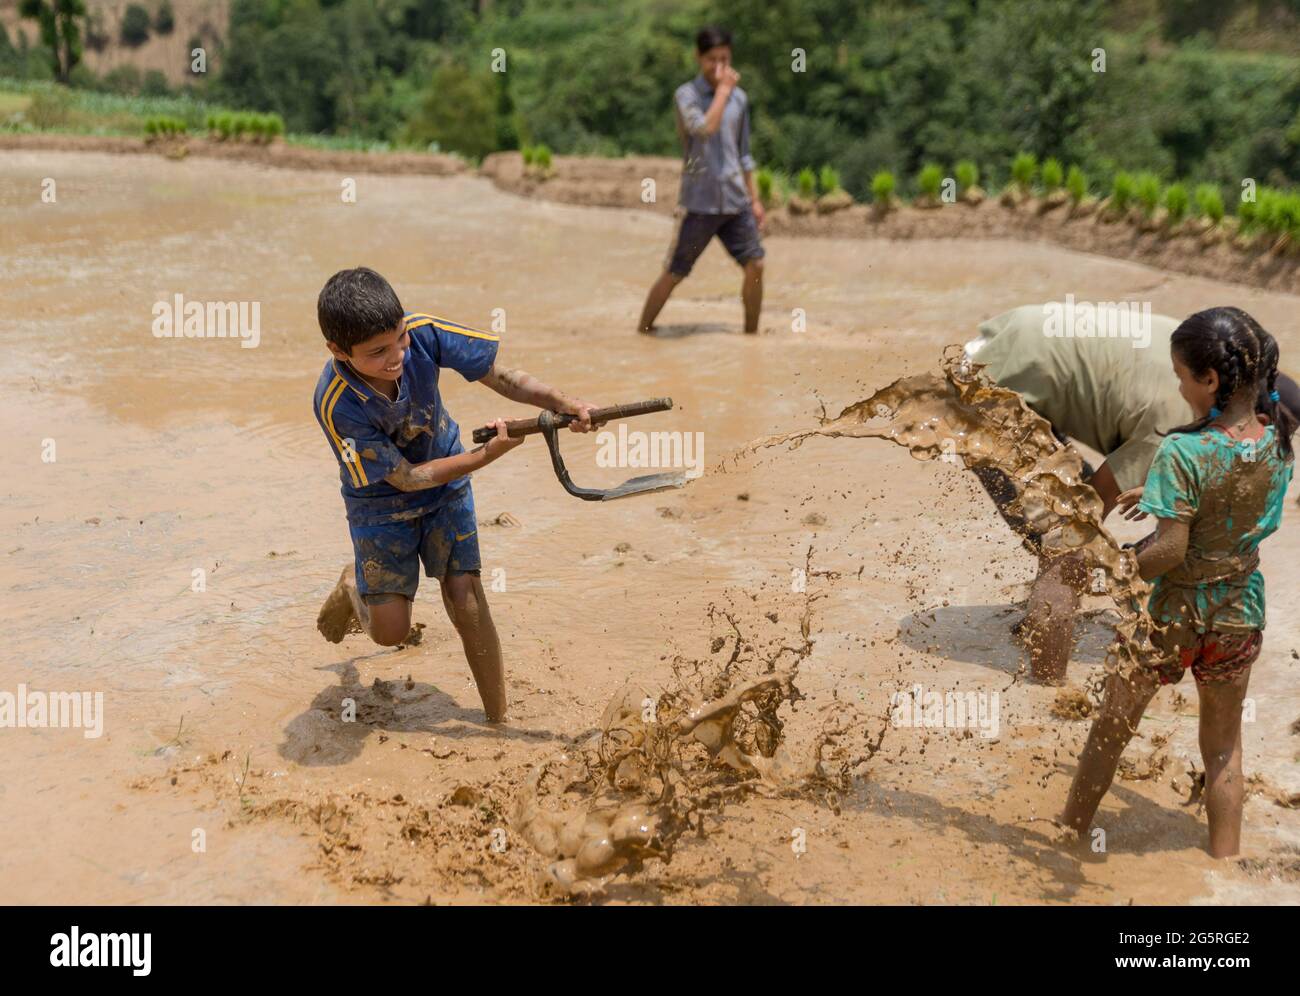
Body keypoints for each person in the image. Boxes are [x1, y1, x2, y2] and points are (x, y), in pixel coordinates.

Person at [311, 267, 597, 723]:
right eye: (377, 352)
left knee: (465, 597)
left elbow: (502, 377)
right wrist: (486, 456)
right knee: (391, 633)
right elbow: (406, 478)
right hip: (381, 503)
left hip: (446, 475)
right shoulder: (336, 403)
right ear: (338, 352)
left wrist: (563, 404)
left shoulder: (425, 333)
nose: (395, 357)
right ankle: (354, 585)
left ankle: (498, 721)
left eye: (399, 339)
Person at [1061, 307, 1295, 857]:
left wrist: (1109, 566)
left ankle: (1068, 836)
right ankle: (1224, 866)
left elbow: (1170, 550)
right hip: (1238, 612)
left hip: (1173, 615)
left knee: (1110, 732)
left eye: (1181, 375)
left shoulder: (1182, 451)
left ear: (1210, 380)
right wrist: (1167, 500)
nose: (1177, 385)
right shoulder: (1276, 435)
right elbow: (1230, 500)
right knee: (1224, 751)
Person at [965, 301, 1297, 683]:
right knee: (1066, 539)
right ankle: (1046, 688)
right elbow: (1099, 507)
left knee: (1074, 518)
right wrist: (1109, 572)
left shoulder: (1212, 346)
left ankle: (1043, 621)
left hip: (1013, 340)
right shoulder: (1178, 423)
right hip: (988, 391)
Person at [637, 25, 766, 335]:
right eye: (712, 60)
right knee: (675, 272)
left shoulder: (740, 100)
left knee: (757, 266)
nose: (719, 67)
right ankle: (642, 331)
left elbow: (744, 153)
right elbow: (703, 129)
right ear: (698, 57)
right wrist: (722, 92)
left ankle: (752, 337)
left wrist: (756, 198)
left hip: (735, 200)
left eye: (725, 59)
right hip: (700, 203)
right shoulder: (687, 95)